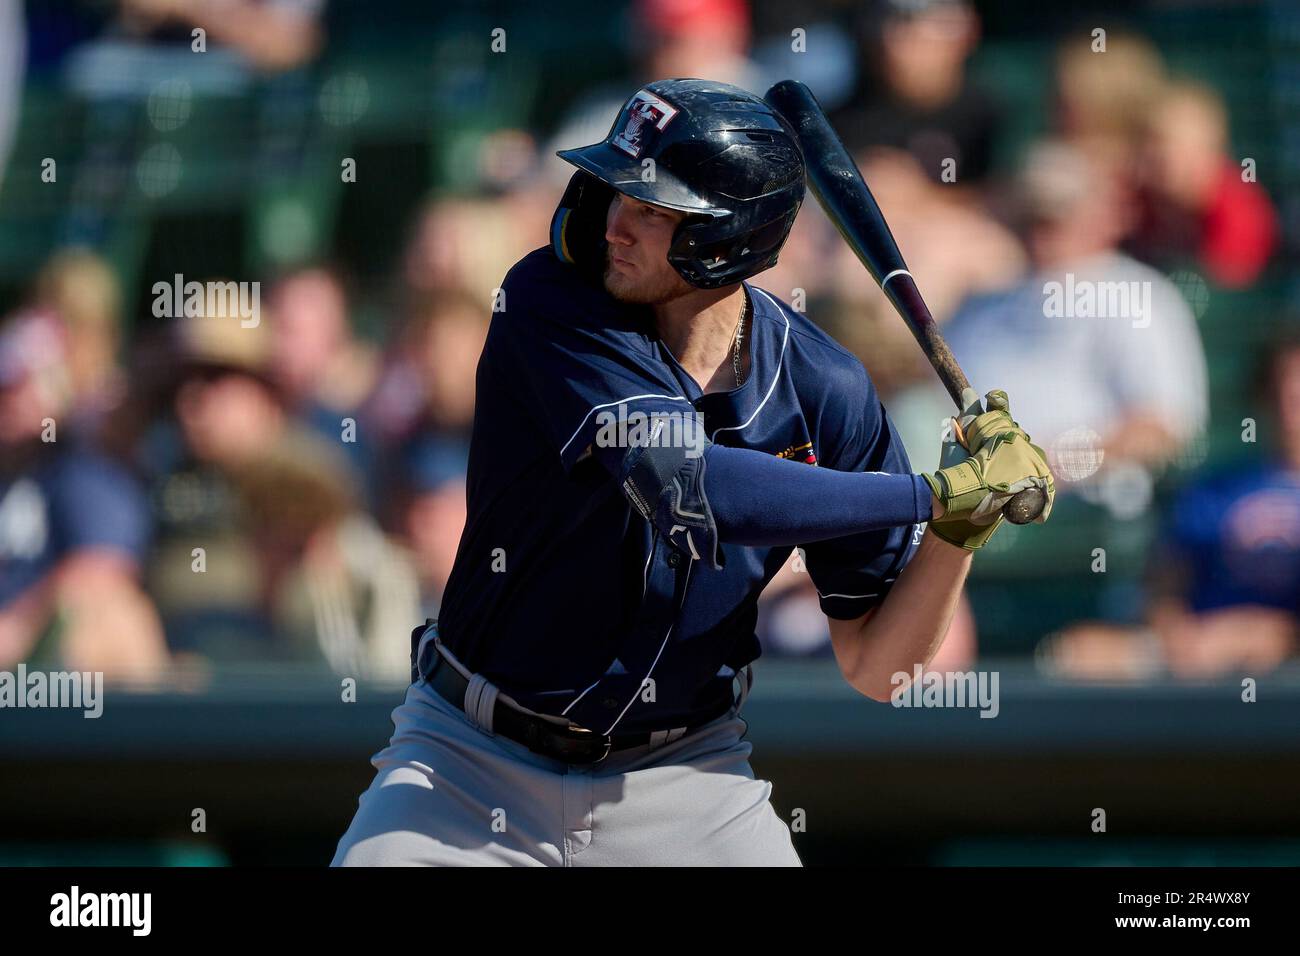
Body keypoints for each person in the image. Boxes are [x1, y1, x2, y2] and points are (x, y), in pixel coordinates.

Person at [332, 79, 1054, 867]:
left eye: (652, 208)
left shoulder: (824, 388)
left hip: (685, 779)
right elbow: (693, 486)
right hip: (471, 764)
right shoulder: (551, 303)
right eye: (615, 193)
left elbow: (883, 670)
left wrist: (957, 529)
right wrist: (930, 493)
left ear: (729, 237)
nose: (614, 224)